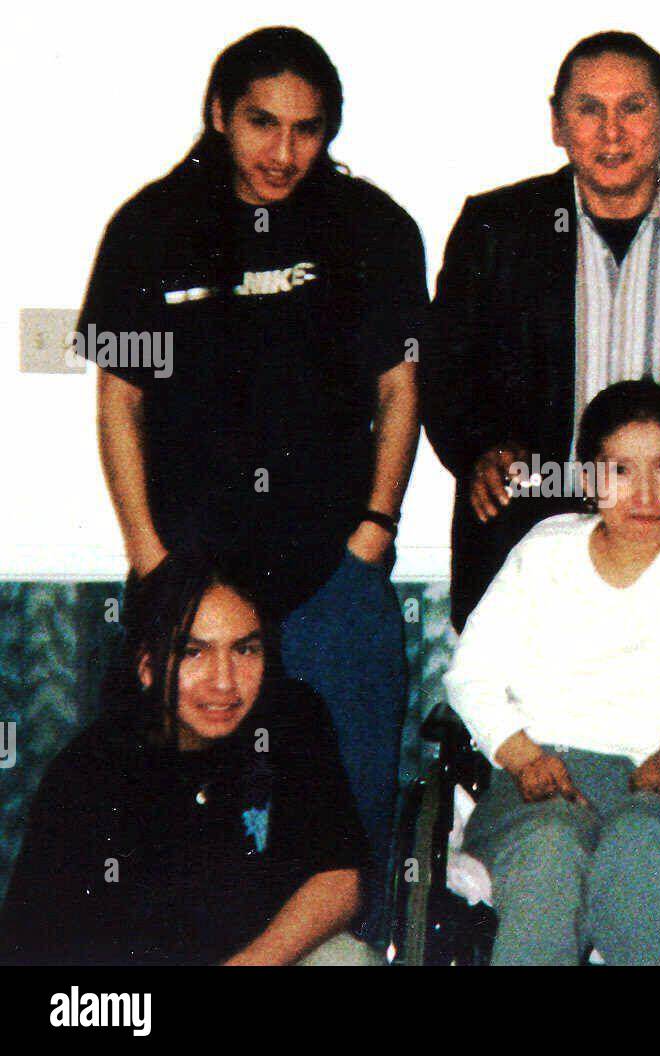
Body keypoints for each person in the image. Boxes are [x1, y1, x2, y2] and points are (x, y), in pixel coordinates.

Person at [77, 27, 428, 942]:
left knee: (343, 852)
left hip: (333, 585)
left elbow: (400, 389)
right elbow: (119, 402)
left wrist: (373, 534)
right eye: (262, 124)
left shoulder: (374, 229)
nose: (283, 153)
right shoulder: (151, 230)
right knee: (162, 843)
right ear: (219, 115)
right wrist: (149, 559)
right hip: (188, 593)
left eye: (308, 130)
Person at [422, 30, 660, 630]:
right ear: (557, 124)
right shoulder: (496, 230)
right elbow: (444, 374)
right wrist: (482, 447)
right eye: (588, 109)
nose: (612, 132)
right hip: (529, 530)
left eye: (633, 107)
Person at [443, 381, 660, 965]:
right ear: (587, 480)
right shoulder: (544, 549)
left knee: (641, 838)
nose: (644, 492)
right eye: (619, 470)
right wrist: (522, 756)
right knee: (549, 847)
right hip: (548, 775)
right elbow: (471, 675)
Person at [0, 552, 373, 966]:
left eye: (245, 650)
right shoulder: (90, 772)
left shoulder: (292, 721)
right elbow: (36, 942)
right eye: (195, 652)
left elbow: (341, 878)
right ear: (147, 668)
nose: (224, 681)